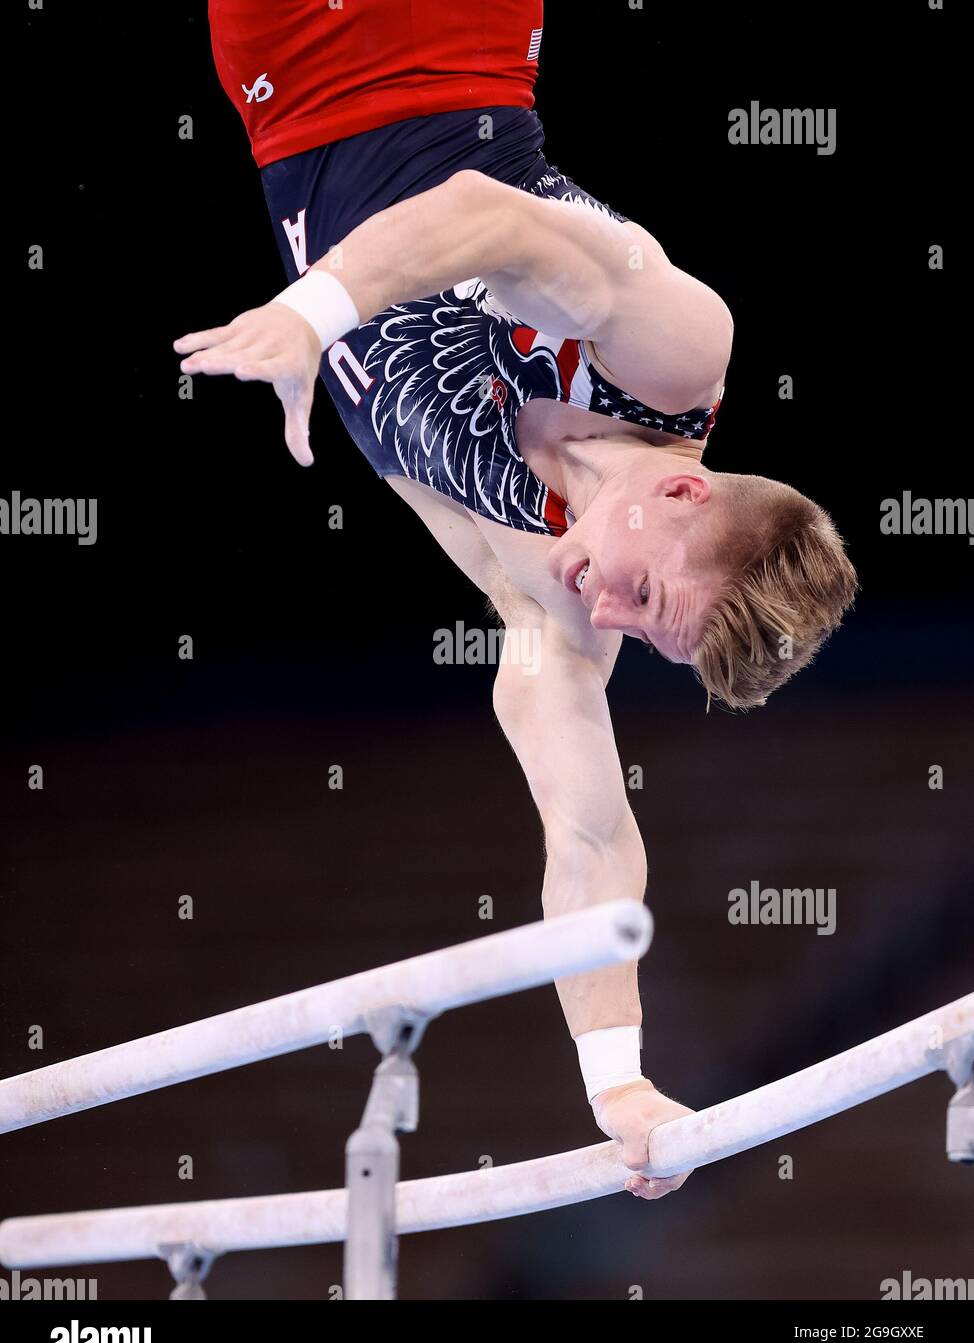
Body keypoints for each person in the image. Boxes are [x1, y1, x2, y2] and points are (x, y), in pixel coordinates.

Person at [176, 1, 857, 1201]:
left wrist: (618, 1083)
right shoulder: (670, 352)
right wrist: (310, 313)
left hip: (272, 89)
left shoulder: (544, 601)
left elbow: (589, 839)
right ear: (688, 493)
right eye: (651, 595)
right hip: (431, 37)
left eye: (648, 636)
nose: (619, 617)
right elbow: (485, 217)